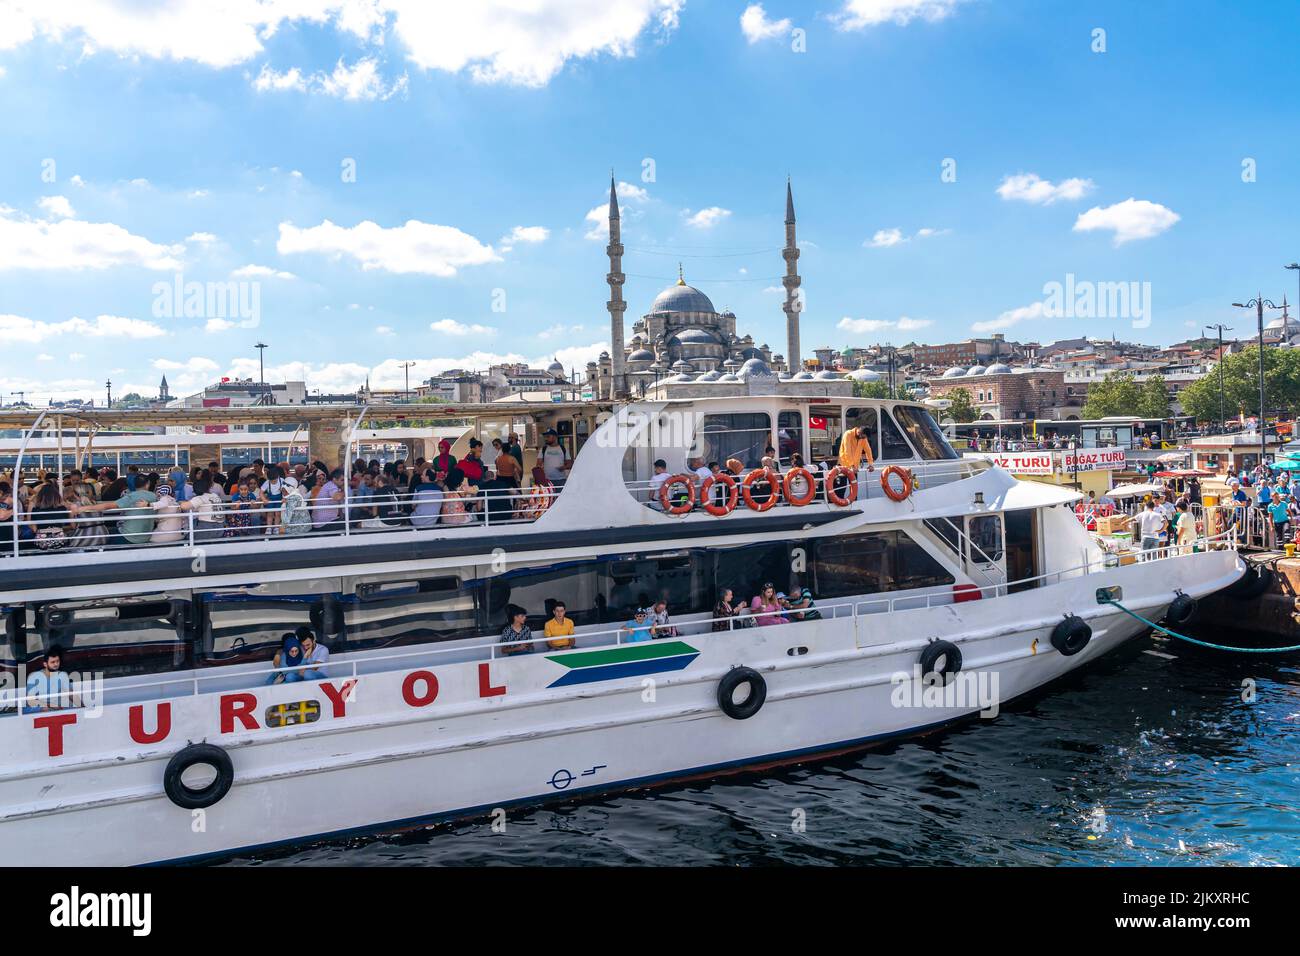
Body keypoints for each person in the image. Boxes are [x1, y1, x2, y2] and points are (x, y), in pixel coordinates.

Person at [24, 646, 72, 711]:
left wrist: (83, 707)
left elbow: (71, 694)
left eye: (57, 661)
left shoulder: (63, 675)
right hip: (38, 708)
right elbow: (30, 700)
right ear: (45, 664)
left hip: (57, 707)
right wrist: (50, 705)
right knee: (45, 709)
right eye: (53, 662)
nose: (56, 664)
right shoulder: (34, 676)